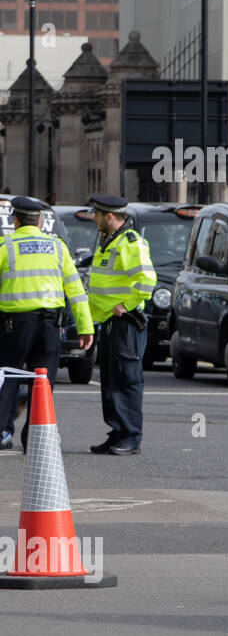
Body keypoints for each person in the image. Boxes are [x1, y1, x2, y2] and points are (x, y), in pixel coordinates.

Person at [0, 196, 93, 452]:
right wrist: (85, 327)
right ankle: (36, 438)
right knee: (42, 382)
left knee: (7, 377)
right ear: (41, 221)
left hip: (14, 325)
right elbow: (76, 290)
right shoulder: (58, 247)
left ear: (15, 220)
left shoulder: (5, 246)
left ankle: (1, 432)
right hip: (50, 325)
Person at [86, 194, 158, 454]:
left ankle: (131, 436)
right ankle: (117, 432)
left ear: (110, 216)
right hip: (108, 322)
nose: (94, 218)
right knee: (111, 380)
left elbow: (147, 281)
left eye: (97, 214)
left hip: (125, 323)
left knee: (127, 379)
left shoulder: (130, 243)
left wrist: (124, 306)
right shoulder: (109, 241)